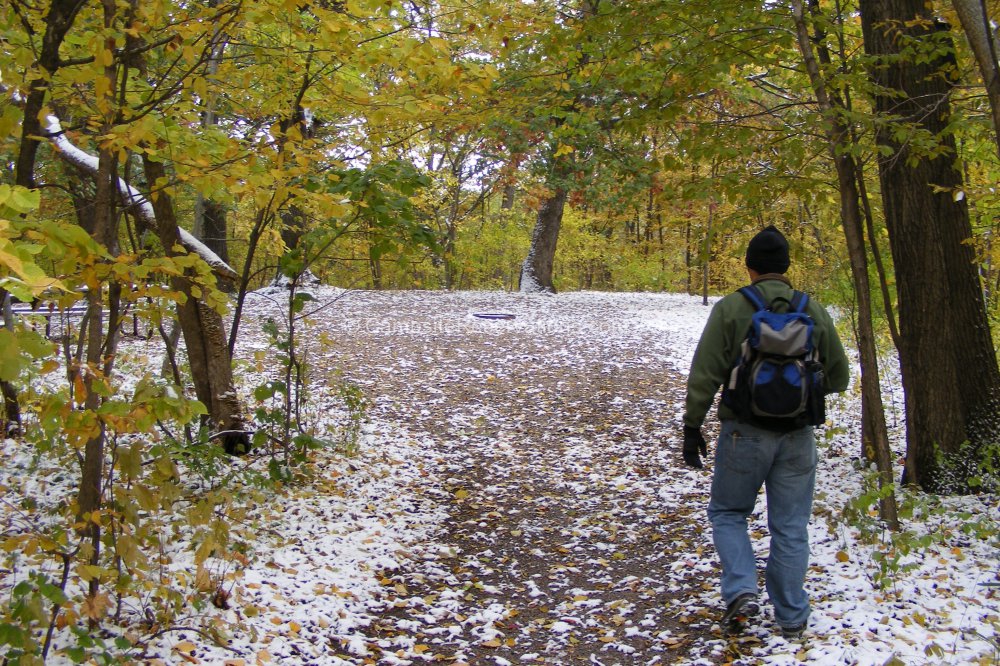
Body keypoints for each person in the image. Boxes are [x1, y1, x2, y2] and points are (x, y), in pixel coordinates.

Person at [681, 225, 850, 639]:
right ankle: (791, 616)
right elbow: (840, 376)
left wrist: (692, 426)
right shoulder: (813, 310)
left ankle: (741, 592)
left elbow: (705, 372)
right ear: (786, 267)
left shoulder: (732, 308)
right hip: (797, 436)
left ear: (749, 266)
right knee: (790, 526)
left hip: (743, 433)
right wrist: (800, 387)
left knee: (728, 513)